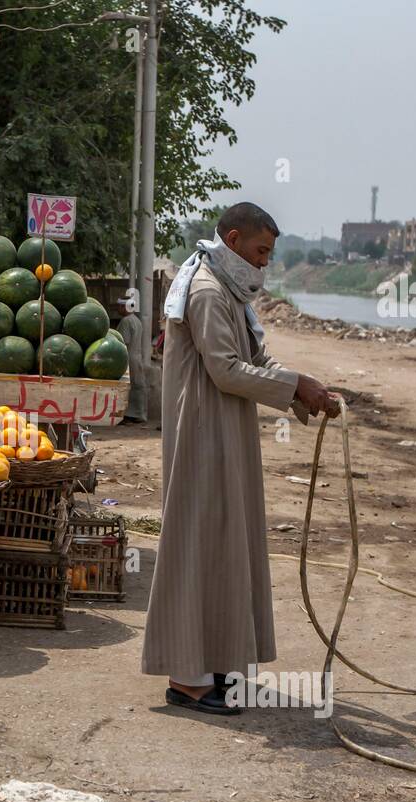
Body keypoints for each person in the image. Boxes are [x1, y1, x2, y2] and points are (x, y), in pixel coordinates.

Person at [142, 202, 341, 715]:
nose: (265, 263)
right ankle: (186, 679)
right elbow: (227, 371)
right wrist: (295, 384)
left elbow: (255, 359)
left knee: (229, 545)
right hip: (201, 433)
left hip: (227, 433)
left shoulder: (230, 289)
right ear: (233, 240)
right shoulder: (208, 291)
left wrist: (303, 391)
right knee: (197, 544)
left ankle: (221, 661)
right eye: (261, 252)